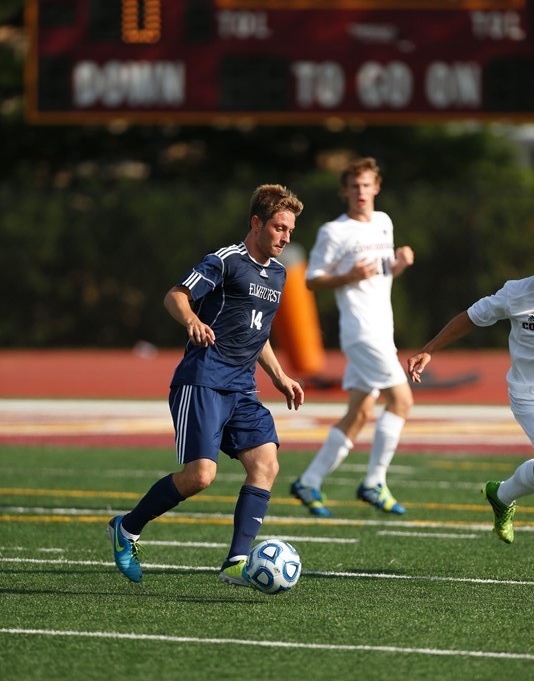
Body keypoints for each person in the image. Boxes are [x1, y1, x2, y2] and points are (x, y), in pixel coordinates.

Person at [108, 184, 305, 584]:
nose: (285, 237)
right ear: (256, 223)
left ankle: (236, 562)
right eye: (279, 227)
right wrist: (192, 320)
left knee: (266, 464)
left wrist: (279, 375)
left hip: (242, 388)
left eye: (290, 230)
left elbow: (258, 333)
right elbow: (175, 296)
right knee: (200, 476)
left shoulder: (279, 274)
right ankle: (126, 528)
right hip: (203, 381)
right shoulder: (226, 260)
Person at [291, 157, 414, 518]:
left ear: (377, 187)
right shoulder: (334, 231)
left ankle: (309, 481)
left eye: (366, 184)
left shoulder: (384, 222)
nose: (361, 191)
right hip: (361, 331)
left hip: (382, 329)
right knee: (401, 401)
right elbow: (311, 280)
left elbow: (381, 274)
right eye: (354, 186)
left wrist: (398, 265)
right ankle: (375, 482)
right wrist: (347, 276)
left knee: (359, 413)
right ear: (344, 191)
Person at [407, 276, 534, 544]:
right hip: (528, 395)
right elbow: (471, 317)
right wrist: (430, 349)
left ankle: (501, 495)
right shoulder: (516, 293)